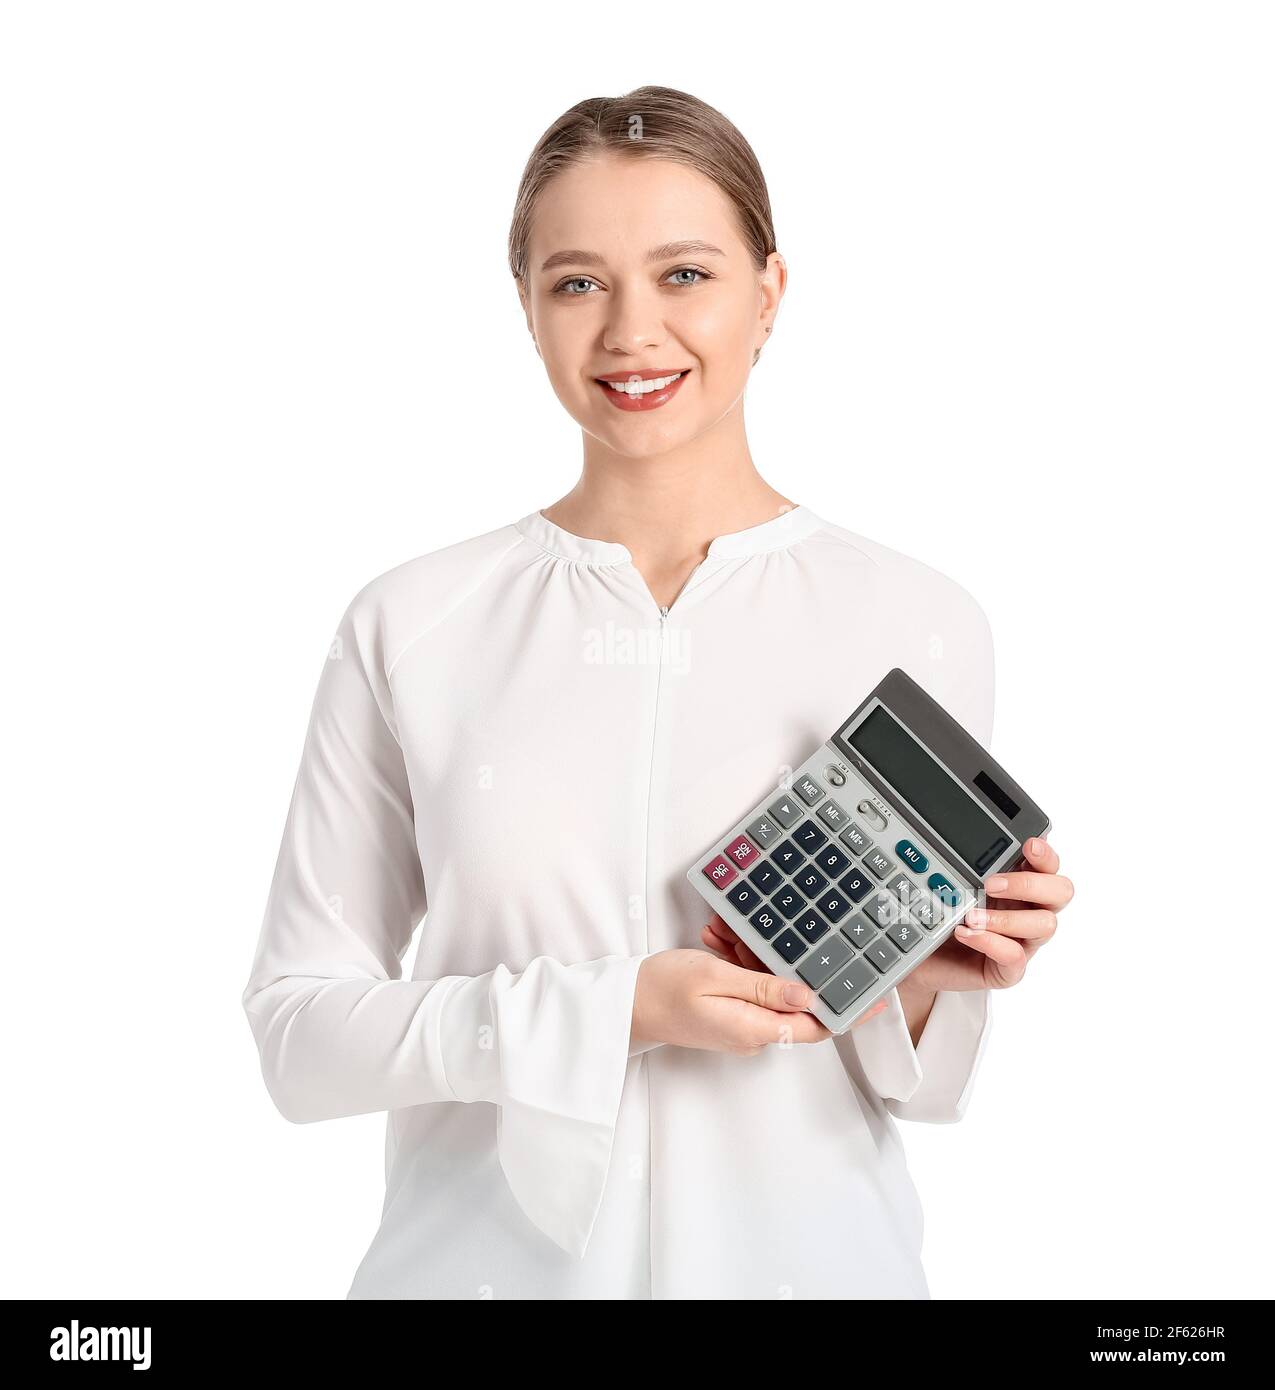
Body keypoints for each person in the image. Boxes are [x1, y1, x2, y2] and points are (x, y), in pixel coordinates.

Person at [240, 85, 1074, 1300]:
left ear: (769, 293)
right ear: (527, 311)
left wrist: (917, 973)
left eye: (686, 274)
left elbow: (912, 1083)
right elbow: (298, 1038)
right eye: (578, 282)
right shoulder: (413, 623)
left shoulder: (918, 619)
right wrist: (612, 1008)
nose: (634, 330)